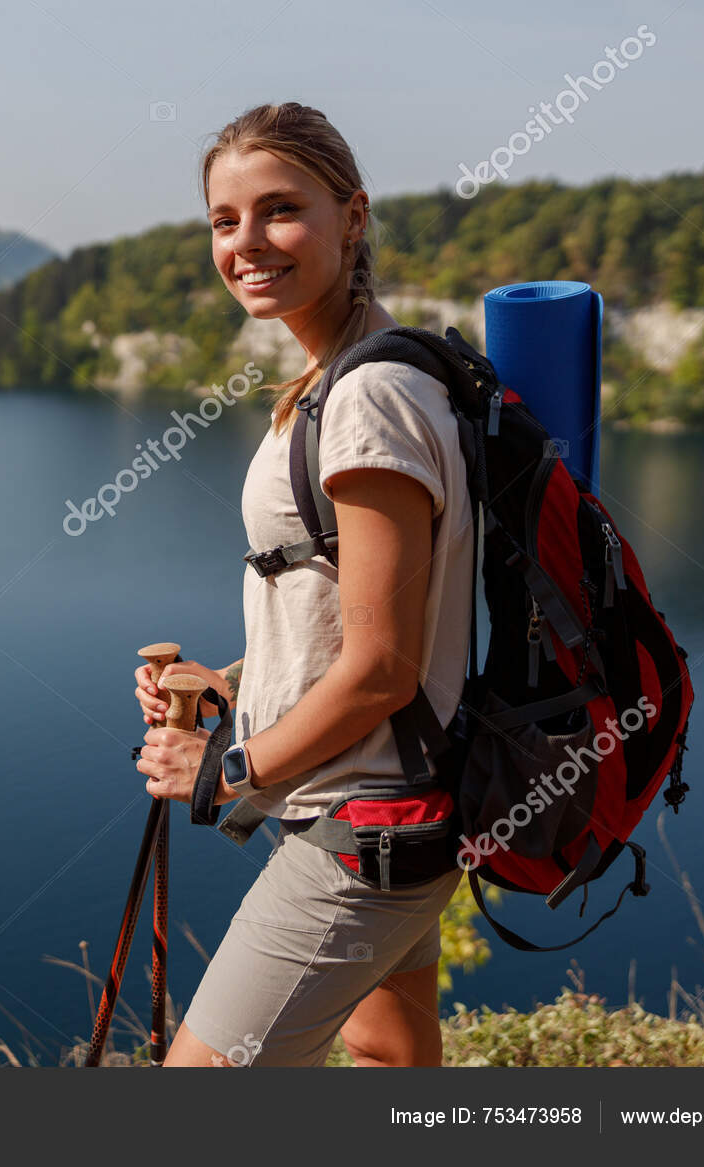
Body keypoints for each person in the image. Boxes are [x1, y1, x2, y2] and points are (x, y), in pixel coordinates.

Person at [131, 102, 476, 1067]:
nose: (247, 242)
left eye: (280, 210)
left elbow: (382, 669)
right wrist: (236, 684)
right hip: (401, 809)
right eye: (223, 220)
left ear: (352, 217)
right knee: (389, 1062)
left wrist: (226, 769)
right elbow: (359, 610)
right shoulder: (375, 375)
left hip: (358, 831)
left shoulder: (366, 400)